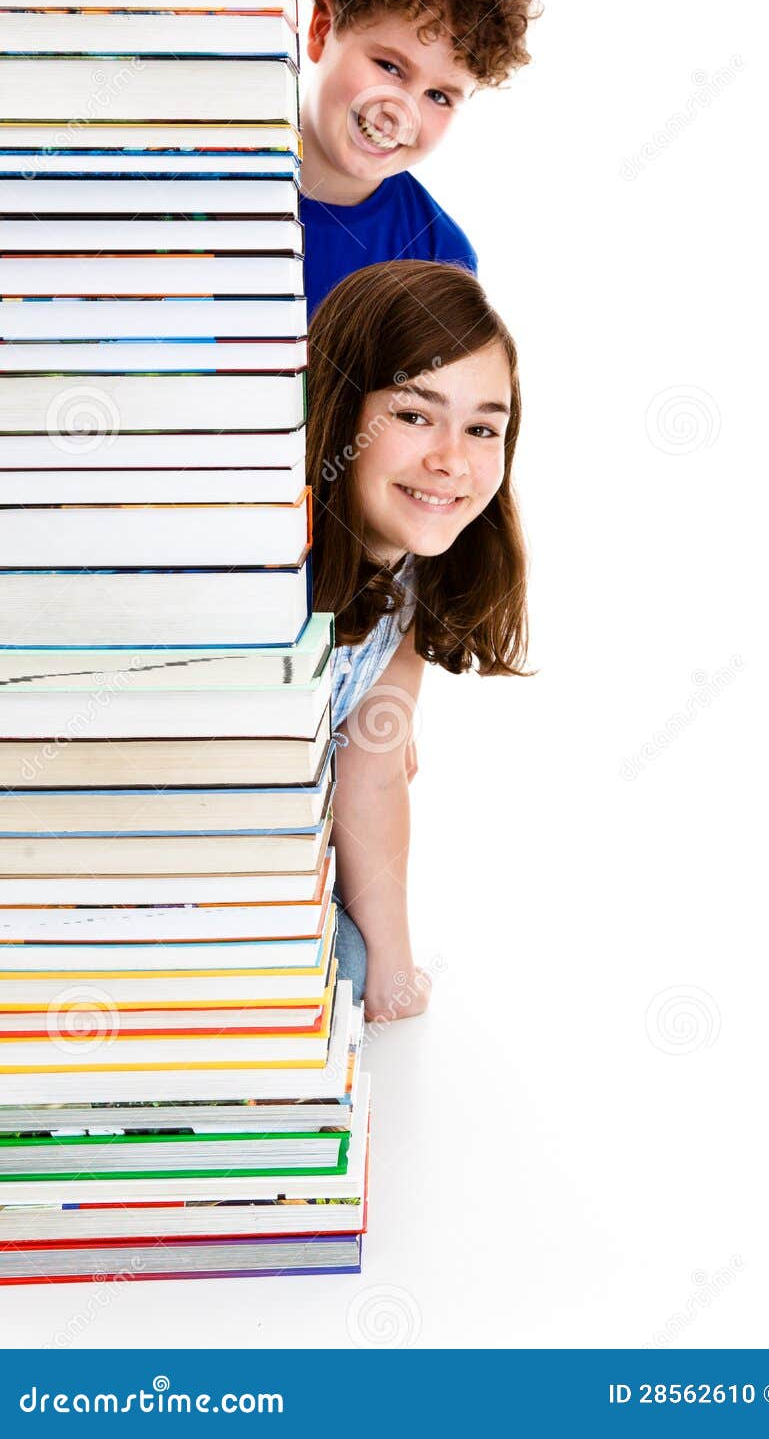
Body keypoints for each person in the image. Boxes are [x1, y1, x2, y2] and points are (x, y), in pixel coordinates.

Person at [305, 260, 529, 1020]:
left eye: (481, 428)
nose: (452, 459)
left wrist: (395, 972)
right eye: (412, 415)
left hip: (263, 860)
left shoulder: (408, 579)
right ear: (341, 411)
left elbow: (372, 769)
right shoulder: (269, 562)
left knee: (358, 964)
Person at [300, 0, 538, 318]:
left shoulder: (438, 258)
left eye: (439, 96)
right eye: (389, 66)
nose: (401, 111)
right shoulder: (203, 181)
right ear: (322, 28)